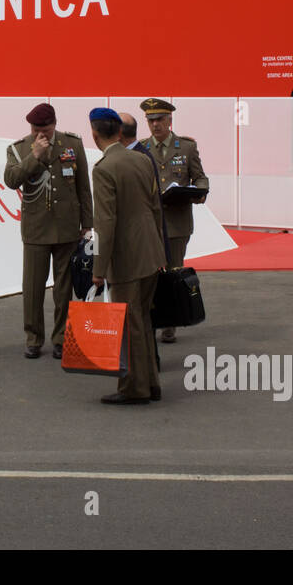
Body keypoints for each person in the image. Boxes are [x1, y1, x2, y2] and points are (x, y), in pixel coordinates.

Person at [87, 107, 166, 405]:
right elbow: (154, 207)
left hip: (127, 258)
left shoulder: (104, 168)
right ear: (119, 132)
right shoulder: (141, 160)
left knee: (128, 324)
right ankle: (151, 384)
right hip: (149, 252)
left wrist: (99, 267)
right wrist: (157, 247)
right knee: (143, 321)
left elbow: (105, 224)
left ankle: (134, 387)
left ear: (95, 133)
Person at [3, 102, 93, 360]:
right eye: (35, 129)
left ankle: (61, 337)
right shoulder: (19, 149)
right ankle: (33, 338)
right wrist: (35, 156)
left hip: (67, 226)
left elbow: (83, 186)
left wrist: (87, 223)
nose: (39, 134)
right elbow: (11, 181)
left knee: (64, 287)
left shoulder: (72, 144)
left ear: (54, 124)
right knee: (32, 286)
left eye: (44, 129)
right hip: (36, 228)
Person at [140, 98, 208, 344]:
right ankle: (151, 319)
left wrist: (199, 192)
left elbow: (200, 178)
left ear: (170, 121)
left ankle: (169, 323)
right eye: (150, 120)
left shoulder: (186, 147)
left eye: (159, 120)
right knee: (148, 273)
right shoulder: (142, 148)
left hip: (177, 222)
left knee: (172, 271)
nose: (155, 125)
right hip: (149, 222)